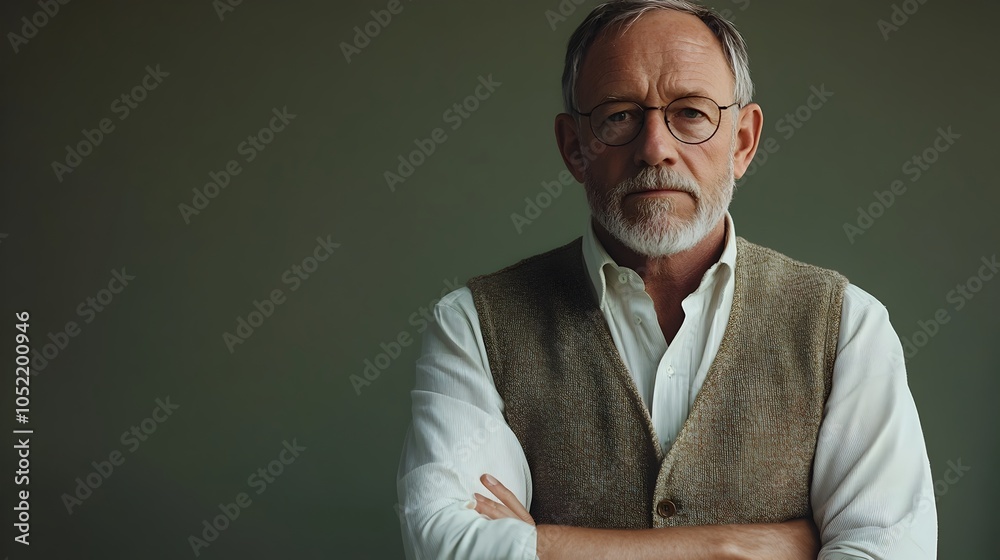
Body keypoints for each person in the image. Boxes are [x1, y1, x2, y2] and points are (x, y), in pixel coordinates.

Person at [395, 1, 937, 558]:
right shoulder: (474, 325)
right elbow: (450, 547)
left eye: (692, 113)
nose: (655, 148)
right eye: (619, 115)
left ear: (743, 142)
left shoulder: (845, 325)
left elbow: (888, 550)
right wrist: (731, 546)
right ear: (573, 147)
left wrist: (545, 544)